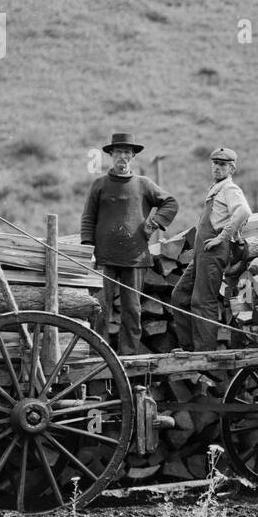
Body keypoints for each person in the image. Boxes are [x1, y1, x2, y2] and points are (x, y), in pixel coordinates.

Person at [80, 132, 178, 357]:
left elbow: (171, 203)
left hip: (134, 257)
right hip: (103, 258)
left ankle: (129, 355)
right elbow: (87, 219)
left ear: (132, 157)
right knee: (99, 307)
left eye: (127, 153)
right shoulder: (99, 185)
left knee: (132, 309)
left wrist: (154, 223)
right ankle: (98, 353)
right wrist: (88, 249)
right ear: (111, 155)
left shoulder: (144, 185)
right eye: (118, 152)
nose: (122, 157)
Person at [171, 146, 251, 374]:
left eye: (223, 164)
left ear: (232, 167)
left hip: (213, 252)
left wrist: (222, 237)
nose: (217, 167)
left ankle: (204, 356)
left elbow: (243, 211)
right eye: (215, 163)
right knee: (180, 295)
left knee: (202, 301)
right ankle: (189, 348)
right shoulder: (215, 189)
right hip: (201, 254)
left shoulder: (230, 188)